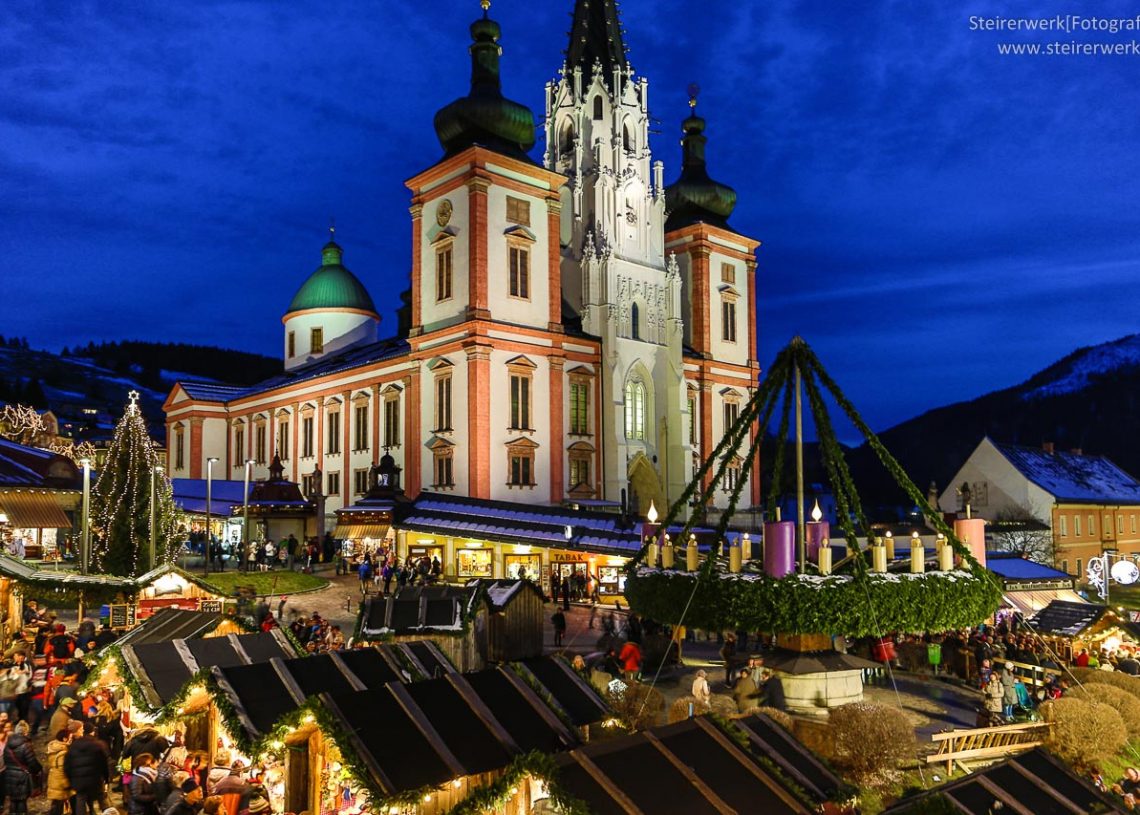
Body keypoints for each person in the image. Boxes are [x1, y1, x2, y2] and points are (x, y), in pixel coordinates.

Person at [65, 724, 111, 815]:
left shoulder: (73, 746)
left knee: (81, 800)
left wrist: (71, 780)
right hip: (96, 779)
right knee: (102, 799)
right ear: (92, 733)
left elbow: (67, 765)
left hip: (79, 781)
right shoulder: (98, 745)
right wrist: (106, 778)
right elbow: (104, 764)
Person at [5, 720, 41, 815]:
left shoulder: (8, 744)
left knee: (13, 800)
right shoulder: (26, 745)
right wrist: (38, 770)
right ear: (26, 732)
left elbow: (5, 760)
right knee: (21, 800)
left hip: (9, 775)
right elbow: (32, 763)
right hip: (22, 776)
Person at [46, 727, 74, 815]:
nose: (71, 740)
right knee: (58, 807)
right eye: (70, 738)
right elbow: (63, 770)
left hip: (53, 780)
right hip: (60, 783)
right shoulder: (63, 752)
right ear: (64, 739)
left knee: (56, 804)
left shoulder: (53, 747)